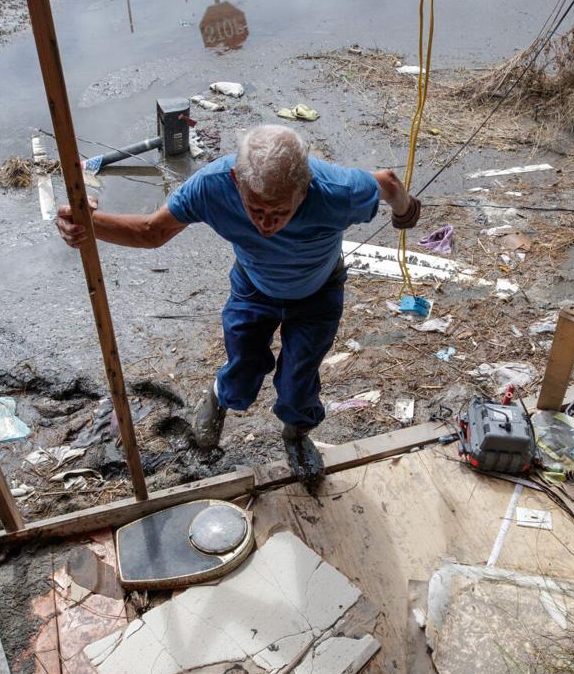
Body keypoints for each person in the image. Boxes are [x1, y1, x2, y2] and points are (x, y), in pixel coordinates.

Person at [55, 124, 421, 488]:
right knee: (244, 367)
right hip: (253, 287)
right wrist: (88, 225)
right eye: (254, 208)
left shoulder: (337, 191)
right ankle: (219, 396)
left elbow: (387, 182)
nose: (265, 223)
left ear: (304, 187)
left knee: (299, 379)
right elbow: (152, 232)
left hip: (318, 292)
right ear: (236, 180)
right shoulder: (213, 185)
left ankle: (295, 434)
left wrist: (406, 212)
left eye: (279, 211)